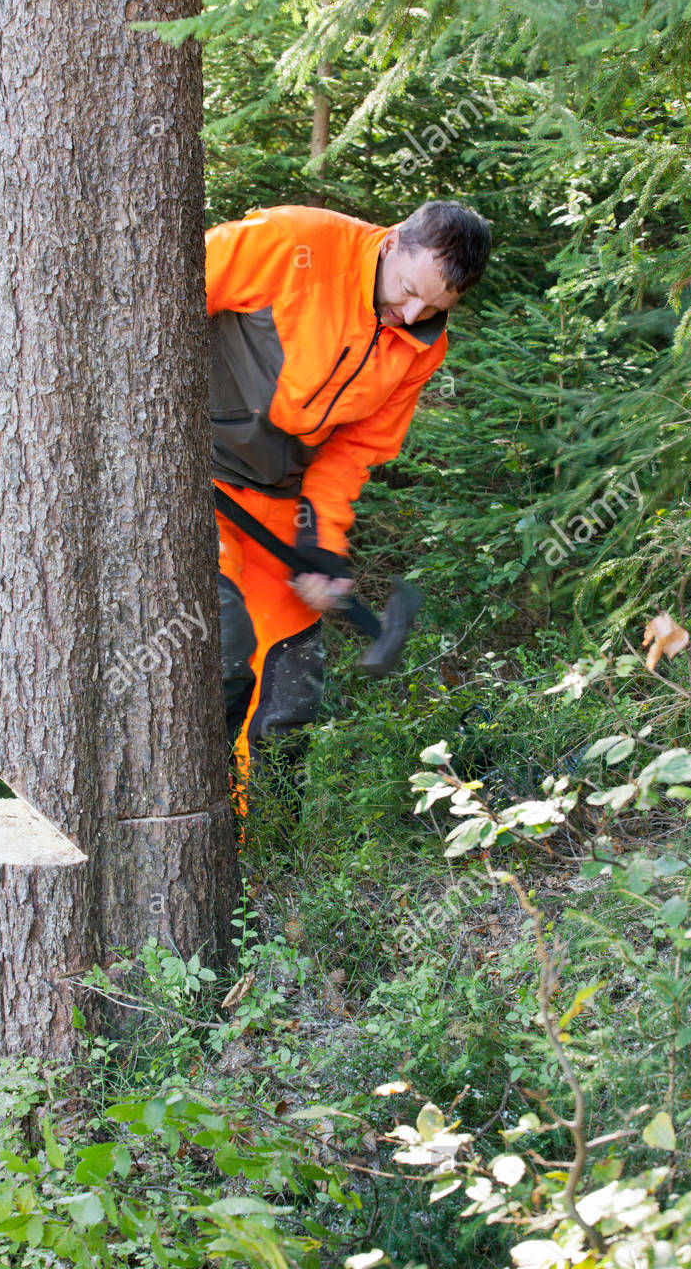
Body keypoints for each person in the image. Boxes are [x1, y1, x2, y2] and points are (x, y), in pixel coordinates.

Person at [205, 199, 491, 817]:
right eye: (410, 291)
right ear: (392, 244)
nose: (411, 314)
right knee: (217, 652)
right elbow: (152, 300)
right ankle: (185, 834)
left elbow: (352, 453)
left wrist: (320, 546)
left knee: (290, 695)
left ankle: (258, 868)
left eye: (435, 308)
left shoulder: (420, 345)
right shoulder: (291, 242)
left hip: (276, 499)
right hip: (182, 481)